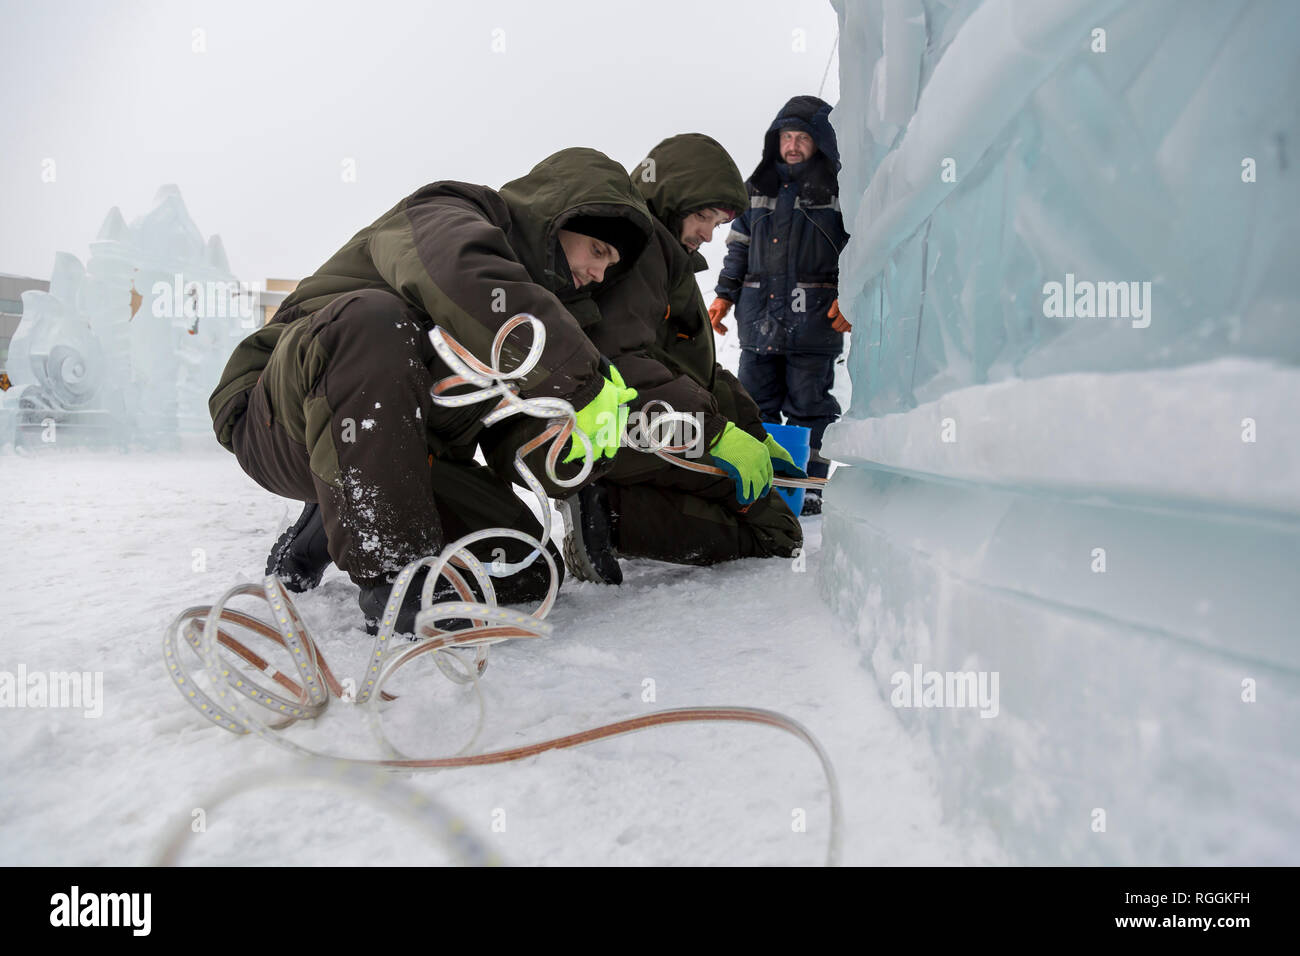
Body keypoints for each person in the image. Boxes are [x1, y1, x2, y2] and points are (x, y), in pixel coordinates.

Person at [210, 147, 651, 633]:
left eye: (610, 266)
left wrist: (581, 461)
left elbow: (512, 445)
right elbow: (461, 277)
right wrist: (582, 381)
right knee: (375, 320)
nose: (598, 273)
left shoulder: (544, 322)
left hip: (408, 459)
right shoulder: (444, 214)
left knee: (527, 566)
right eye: (597, 251)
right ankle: (393, 576)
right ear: (558, 219)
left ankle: (327, 524)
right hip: (278, 416)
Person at [557, 133, 805, 584]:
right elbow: (618, 360)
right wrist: (714, 435)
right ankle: (612, 513)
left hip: (649, 423)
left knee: (760, 504)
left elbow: (697, 371)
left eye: (719, 221)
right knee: (775, 530)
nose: (710, 234)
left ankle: (613, 503)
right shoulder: (644, 253)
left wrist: (750, 430)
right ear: (671, 198)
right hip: (631, 427)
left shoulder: (665, 261)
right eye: (702, 216)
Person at [709, 95, 851, 515]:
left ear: (819, 141)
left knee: (811, 406)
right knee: (753, 404)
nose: (792, 145)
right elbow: (738, 247)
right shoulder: (757, 189)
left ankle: (809, 484)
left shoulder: (839, 190)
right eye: (786, 137)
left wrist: (852, 296)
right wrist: (723, 294)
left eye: (802, 137)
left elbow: (856, 249)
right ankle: (763, 480)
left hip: (816, 322)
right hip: (758, 323)